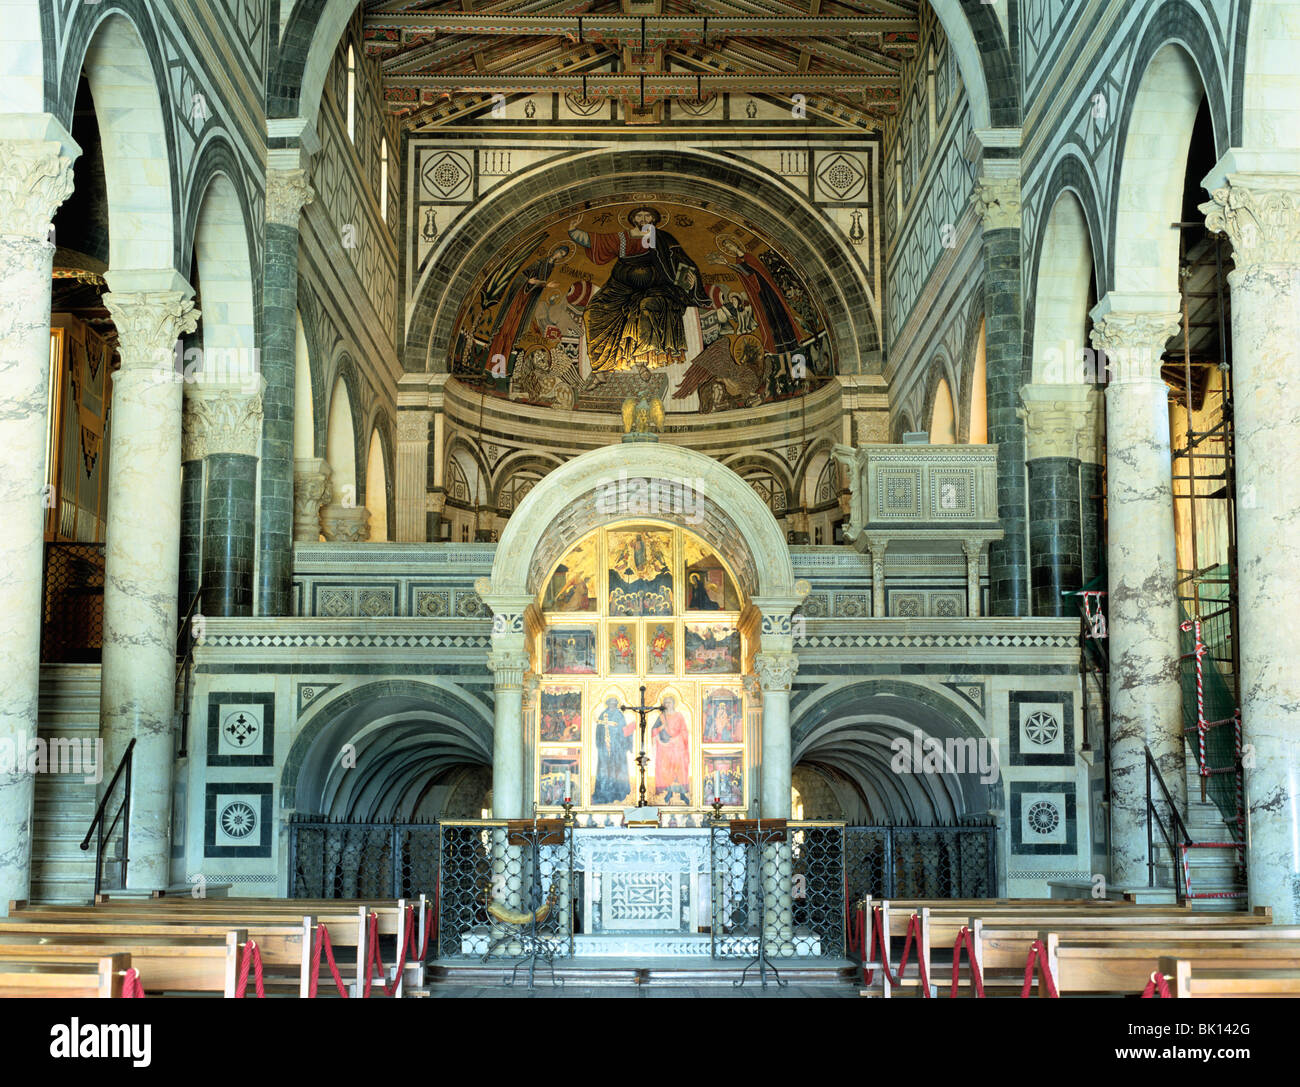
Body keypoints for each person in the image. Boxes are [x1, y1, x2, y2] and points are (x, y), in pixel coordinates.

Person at [568, 207, 710, 372]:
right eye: (639, 216)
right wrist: (573, 230)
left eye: (647, 215)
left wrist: (690, 281)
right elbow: (596, 241)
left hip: (658, 288)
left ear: (654, 219)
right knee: (593, 312)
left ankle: (644, 361)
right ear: (633, 219)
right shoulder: (622, 237)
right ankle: (602, 369)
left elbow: (679, 261)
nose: (643, 219)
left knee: (646, 306)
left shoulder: (663, 238)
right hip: (621, 288)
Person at [592, 697, 635, 805]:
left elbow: (624, 730)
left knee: (617, 768)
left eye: (615, 703)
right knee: (605, 768)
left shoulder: (619, 715)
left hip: (617, 748)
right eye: (611, 703)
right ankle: (604, 792)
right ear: (608, 704)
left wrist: (628, 734)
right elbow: (599, 730)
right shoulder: (603, 715)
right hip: (605, 748)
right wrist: (600, 743)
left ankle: (618, 792)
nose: (613, 705)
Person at [654, 696, 690, 805]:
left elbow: (684, 731)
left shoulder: (679, 716)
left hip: (678, 747)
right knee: (667, 770)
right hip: (665, 748)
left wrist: (676, 738)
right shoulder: (661, 717)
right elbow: (654, 730)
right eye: (665, 702)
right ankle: (669, 792)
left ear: (674, 703)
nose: (667, 704)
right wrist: (662, 728)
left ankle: (682, 794)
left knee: (679, 770)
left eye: (669, 702)